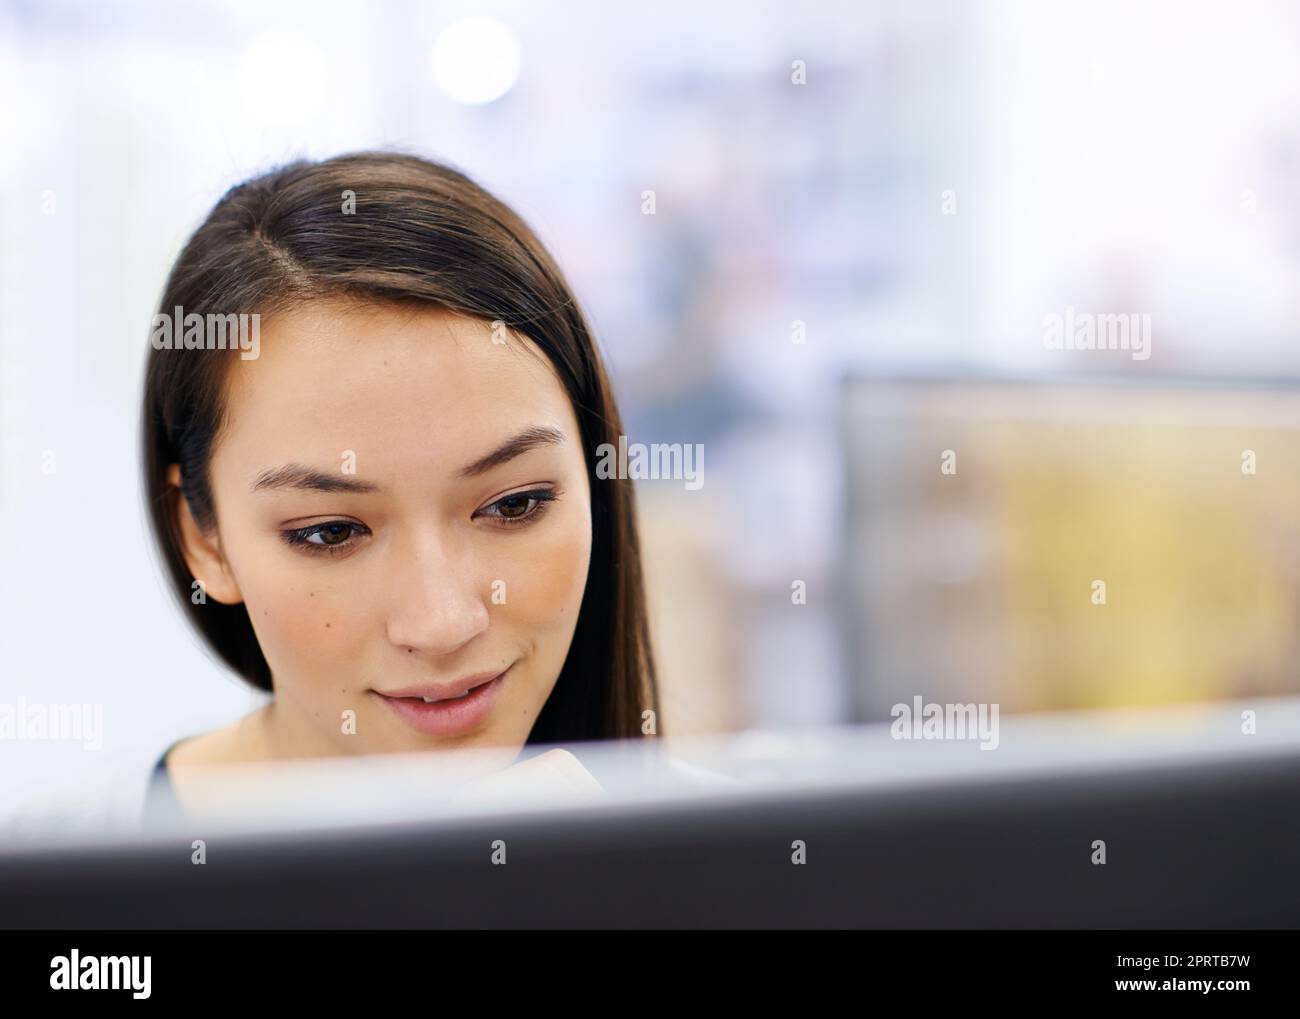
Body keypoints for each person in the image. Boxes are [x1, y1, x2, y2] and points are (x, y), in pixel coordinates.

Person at [130, 151, 660, 825]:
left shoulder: (755, 873)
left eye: (513, 504)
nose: (441, 624)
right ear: (203, 539)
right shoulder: (61, 879)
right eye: (331, 532)